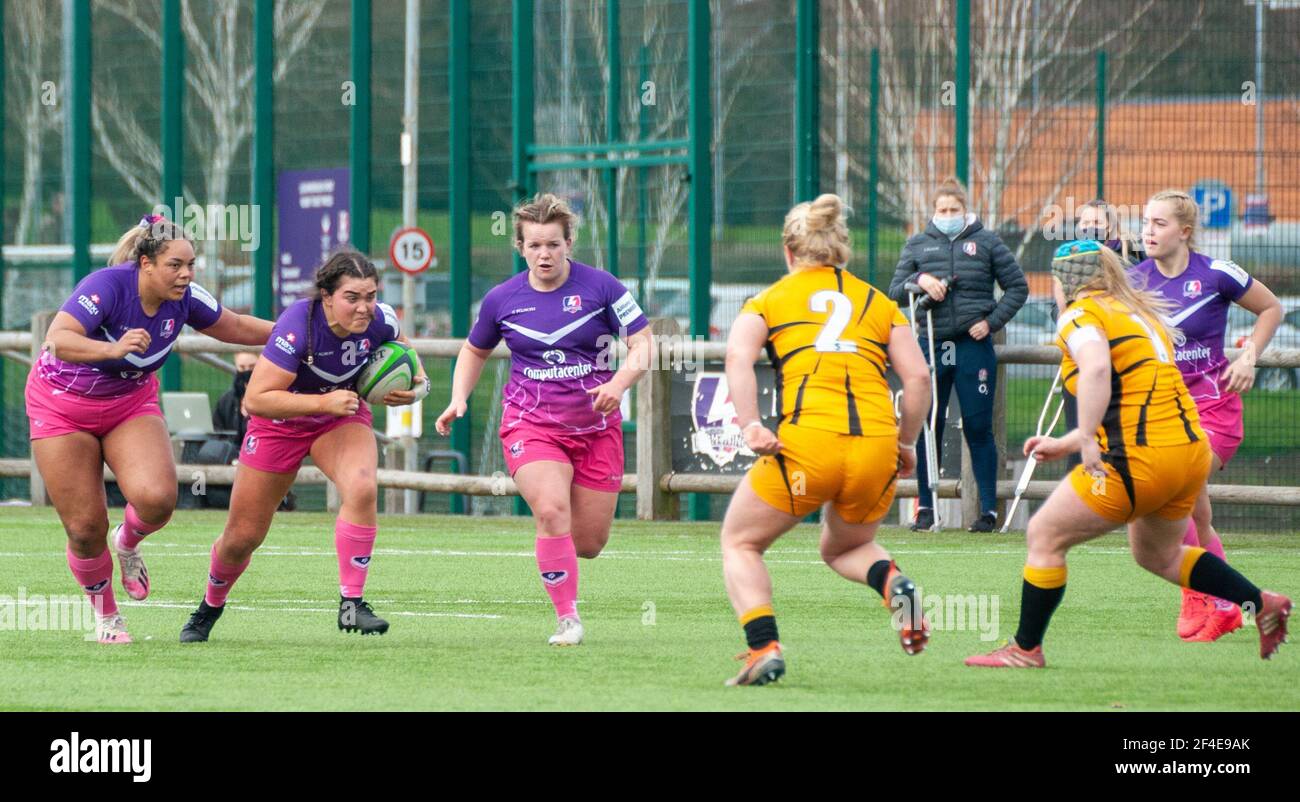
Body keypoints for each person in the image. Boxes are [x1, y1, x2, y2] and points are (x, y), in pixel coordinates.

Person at [965, 241, 1290, 668]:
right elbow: (1135, 389)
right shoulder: (1137, 312)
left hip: (1141, 458)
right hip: (1188, 451)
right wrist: (1072, 439)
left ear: (1067, 283)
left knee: (1043, 535)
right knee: (1159, 556)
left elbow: (1097, 367)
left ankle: (1025, 649)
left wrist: (1084, 440)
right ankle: (1261, 603)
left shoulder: (1080, 314)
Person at [719, 194, 934, 686]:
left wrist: (751, 424)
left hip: (807, 443)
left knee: (741, 541)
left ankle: (763, 648)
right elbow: (918, 379)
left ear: (789, 252)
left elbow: (738, 357)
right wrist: (905, 443)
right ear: (843, 251)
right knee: (844, 549)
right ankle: (894, 584)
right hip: (875, 443)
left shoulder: (770, 299)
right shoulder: (878, 302)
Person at [26, 214, 272, 643]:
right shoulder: (107, 285)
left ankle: (128, 540)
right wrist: (112, 347)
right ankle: (107, 617)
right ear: (146, 264)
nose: (187, 274)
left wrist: (297, 339)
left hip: (127, 402)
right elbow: (58, 338)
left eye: (191, 264)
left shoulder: (186, 297)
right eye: (176, 265)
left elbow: (233, 326)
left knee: (158, 501)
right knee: (85, 528)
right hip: (60, 405)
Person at [178, 249, 429, 642]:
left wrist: (418, 390)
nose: (364, 307)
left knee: (362, 487)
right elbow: (258, 399)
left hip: (339, 419)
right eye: (352, 297)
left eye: (371, 296)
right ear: (327, 297)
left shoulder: (380, 319)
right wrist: (322, 401)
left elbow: (411, 360)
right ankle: (209, 607)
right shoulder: (298, 326)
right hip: (279, 423)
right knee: (242, 537)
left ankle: (352, 603)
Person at [435, 193, 652, 647]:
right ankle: (567, 618)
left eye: (553, 244)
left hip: (595, 429)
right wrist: (458, 399)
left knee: (589, 543)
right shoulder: (502, 299)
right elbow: (474, 351)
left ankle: (561, 562)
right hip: (530, 425)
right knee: (551, 510)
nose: (544, 254)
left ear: (569, 241)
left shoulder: (604, 288)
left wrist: (618, 384)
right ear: (520, 248)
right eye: (534, 246)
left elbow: (644, 343)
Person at [1131, 189, 1283, 642]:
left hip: (1214, 410)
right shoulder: (1135, 281)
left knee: (1183, 492)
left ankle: (1210, 599)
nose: (1148, 231)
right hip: (1165, 414)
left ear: (1185, 231)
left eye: (1159, 223)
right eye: (1145, 222)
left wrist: (1249, 356)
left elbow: (1271, 307)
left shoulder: (1216, 272)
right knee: (1193, 512)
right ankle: (1219, 600)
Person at [888, 178, 1028, 532]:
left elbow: (1018, 287)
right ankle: (926, 509)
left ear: (964, 210)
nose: (948, 216)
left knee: (978, 427)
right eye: (942, 210)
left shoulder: (987, 242)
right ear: (933, 212)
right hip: (932, 343)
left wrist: (991, 321)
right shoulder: (918, 244)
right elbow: (894, 288)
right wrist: (920, 281)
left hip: (972, 345)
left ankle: (987, 511)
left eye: (954, 210)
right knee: (928, 426)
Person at [1056, 199, 1147, 470]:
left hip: (1119, 355)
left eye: (1096, 223)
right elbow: (1058, 308)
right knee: (1080, 424)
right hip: (1082, 355)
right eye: (1085, 223)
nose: (1090, 228)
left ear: (1111, 227)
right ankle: (1081, 485)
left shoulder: (1131, 260)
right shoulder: (1069, 261)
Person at [213, 350, 258, 445]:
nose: (247, 371)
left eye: (252, 366)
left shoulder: (269, 399)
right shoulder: (226, 400)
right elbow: (217, 431)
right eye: (242, 367)